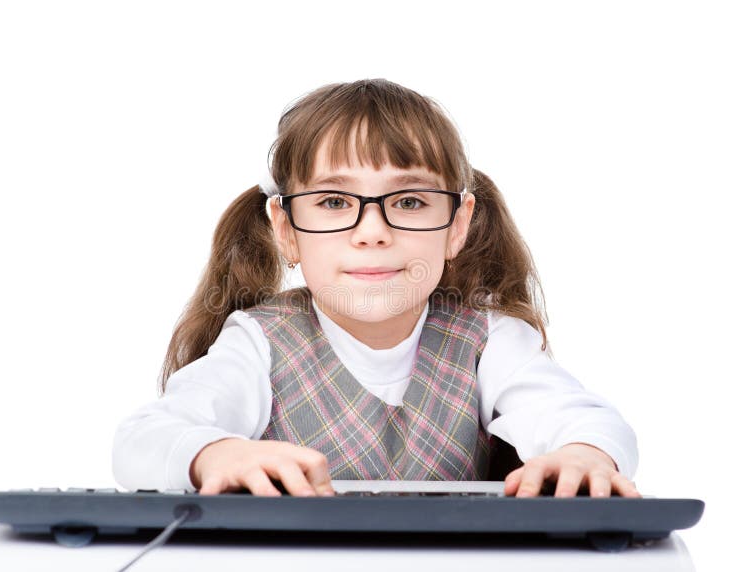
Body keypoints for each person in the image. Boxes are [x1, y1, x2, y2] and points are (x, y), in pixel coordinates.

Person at [112, 78, 641, 500]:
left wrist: (584, 453)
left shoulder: (489, 341)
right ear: (286, 229)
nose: (372, 232)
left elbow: (582, 418)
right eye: (334, 203)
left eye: (409, 201)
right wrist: (214, 453)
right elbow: (143, 439)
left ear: (457, 224)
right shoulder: (259, 343)